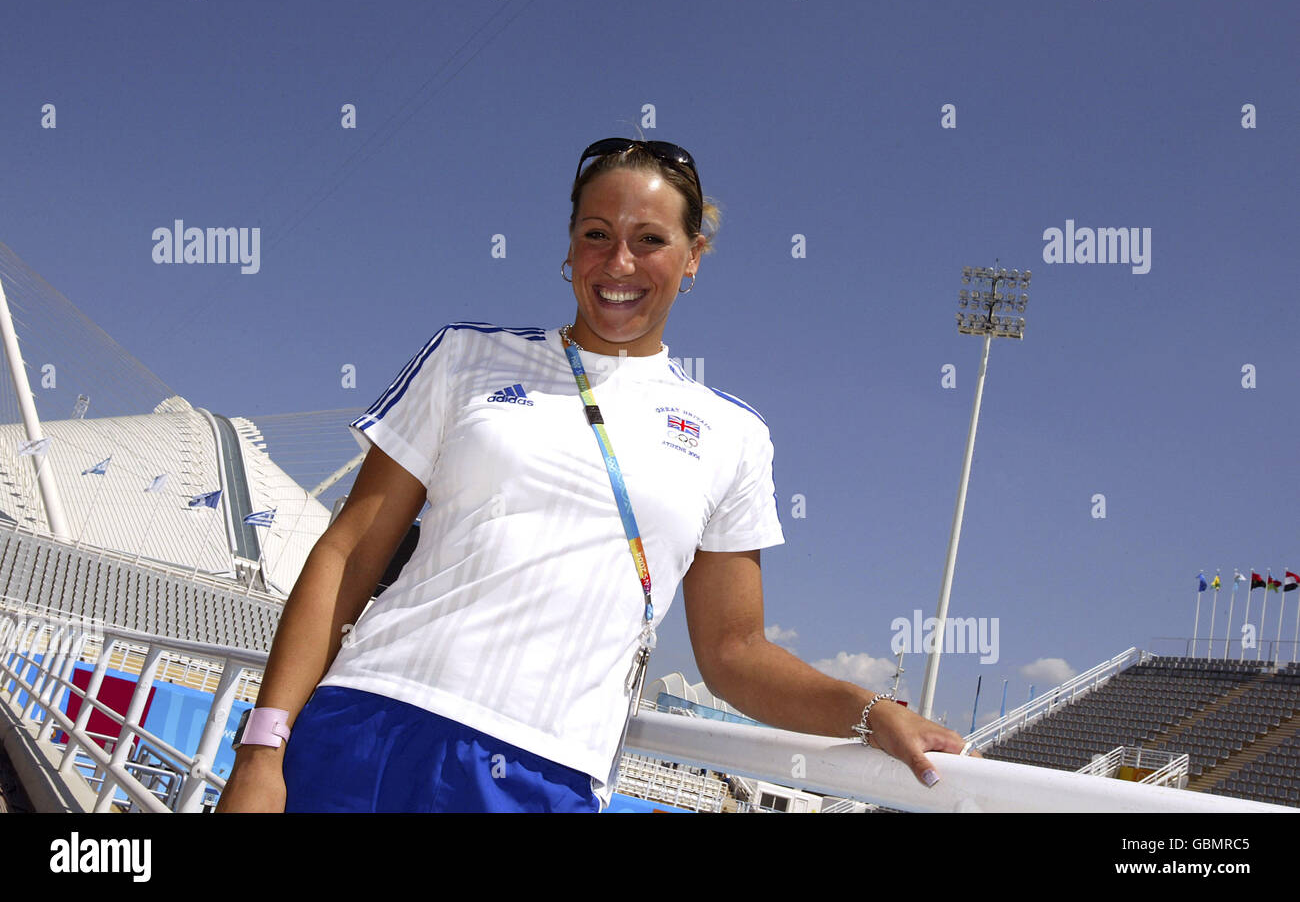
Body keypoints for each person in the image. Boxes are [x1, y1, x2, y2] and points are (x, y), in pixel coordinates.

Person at [216, 137, 971, 813]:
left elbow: (734, 652)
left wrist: (869, 711)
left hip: (545, 770)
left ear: (693, 256)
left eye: (650, 240)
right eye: (596, 235)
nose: (618, 264)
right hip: (369, 720)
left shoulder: (734, 436)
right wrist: (261, 747)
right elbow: (349, 553)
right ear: (570, 245)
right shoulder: (466, 358)